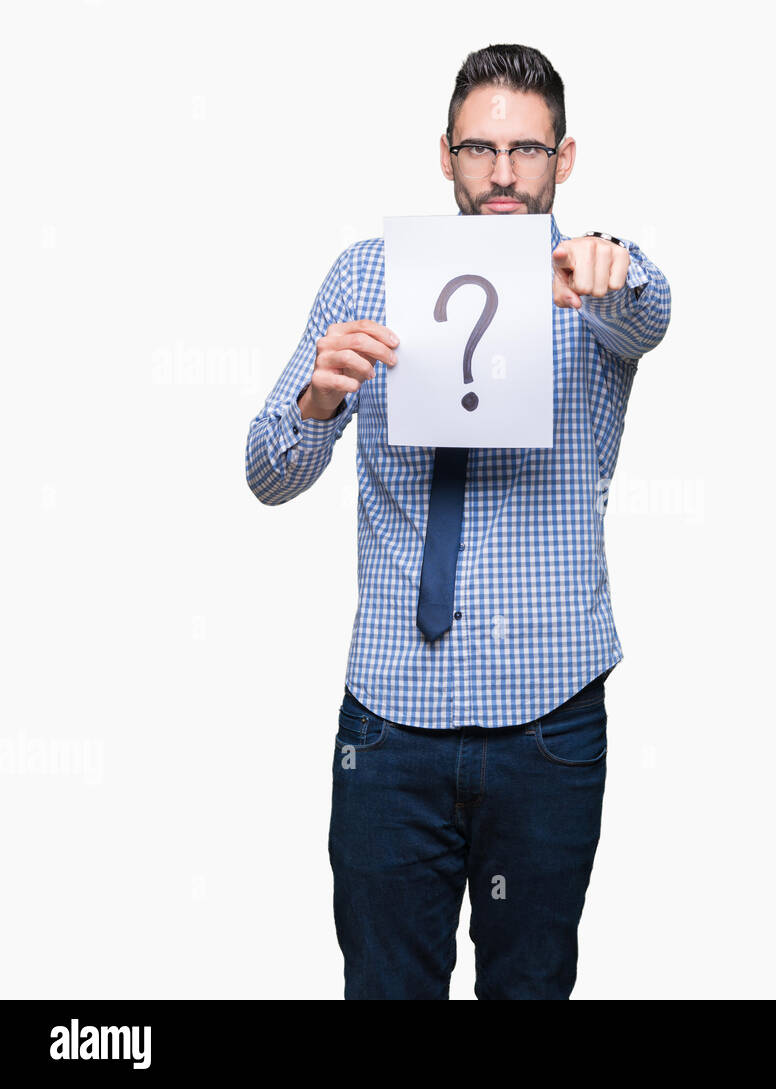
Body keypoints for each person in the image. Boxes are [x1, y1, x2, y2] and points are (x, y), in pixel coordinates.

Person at [244, 43, 671, 999]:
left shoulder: (595, 284)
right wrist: (317, 401)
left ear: (564, 160)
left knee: (531, 989)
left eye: (528, 149)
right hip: (392, 725)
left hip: (548, 725)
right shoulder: (365, 276)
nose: (504, 173)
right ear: (445, 156)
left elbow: (651, 314)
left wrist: (619, 271)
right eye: (480, 149)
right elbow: (266, 474)